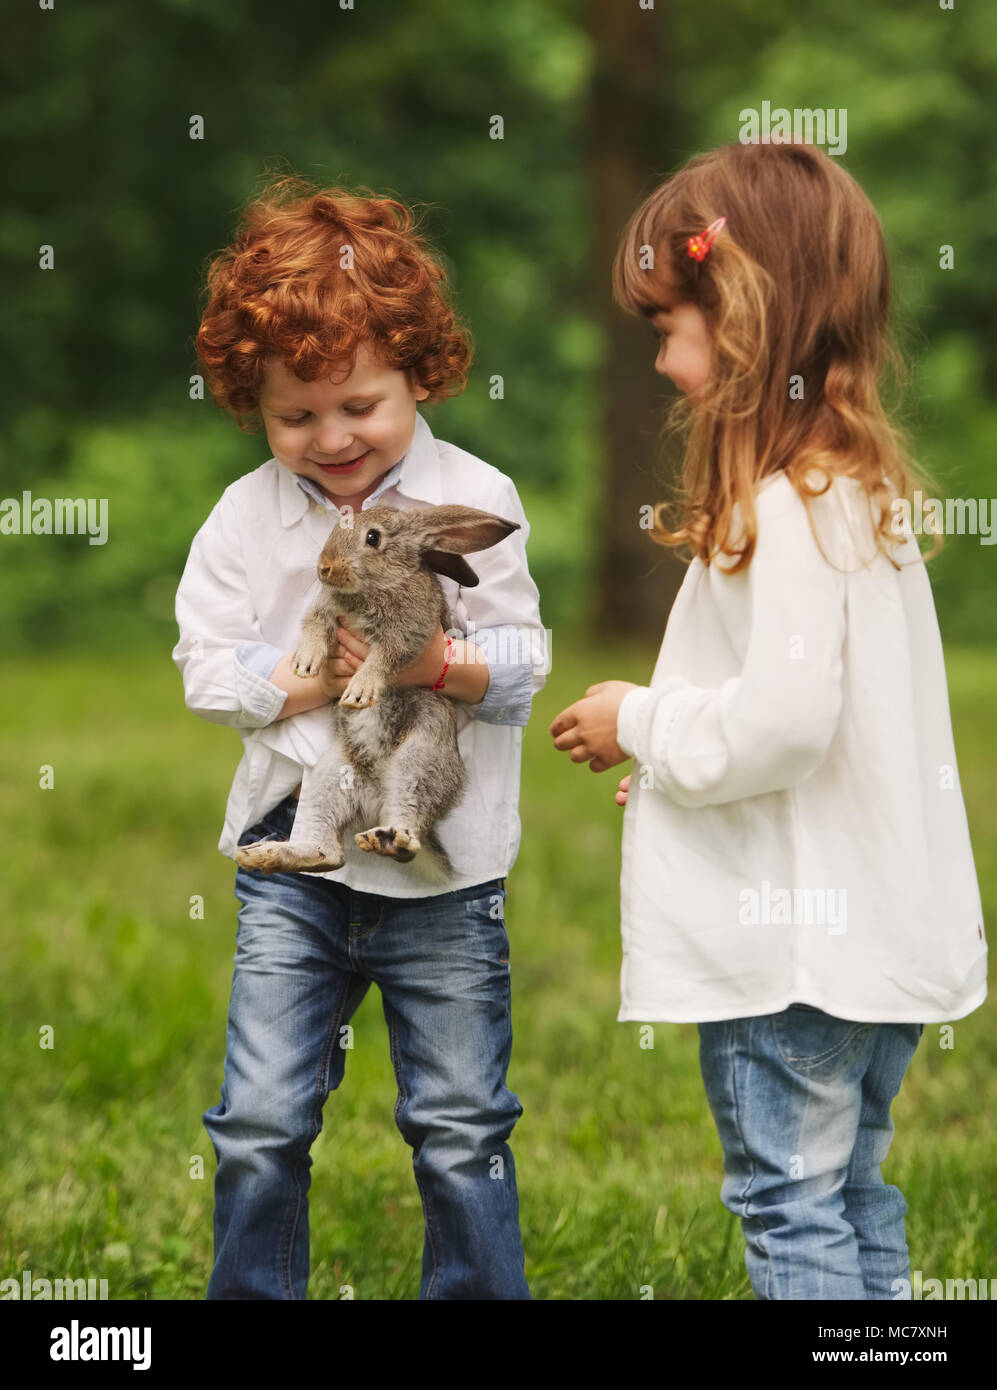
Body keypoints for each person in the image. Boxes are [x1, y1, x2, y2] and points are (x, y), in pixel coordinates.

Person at [549, 141, 986, 1300]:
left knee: (789, 1205)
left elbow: (786, 723)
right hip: (875, 945)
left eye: (670, 325)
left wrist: (638, 719)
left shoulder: (784, 509)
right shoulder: (859, 495)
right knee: (853, 1194)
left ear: (741, 320)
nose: (661, 356)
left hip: (793, 958)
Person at [173, 174, 546, 1300]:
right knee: (260, 1117)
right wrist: (293, 679)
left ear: (418, 374)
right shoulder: (245, 519)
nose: (332, 438)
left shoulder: (473, 495)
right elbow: (202, 667)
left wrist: (436, 665)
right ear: (254, 405)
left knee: (459, 1120)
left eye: (360, 405)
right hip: (293, 852)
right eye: (297, 415)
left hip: (441, 868)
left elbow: (523, 666)